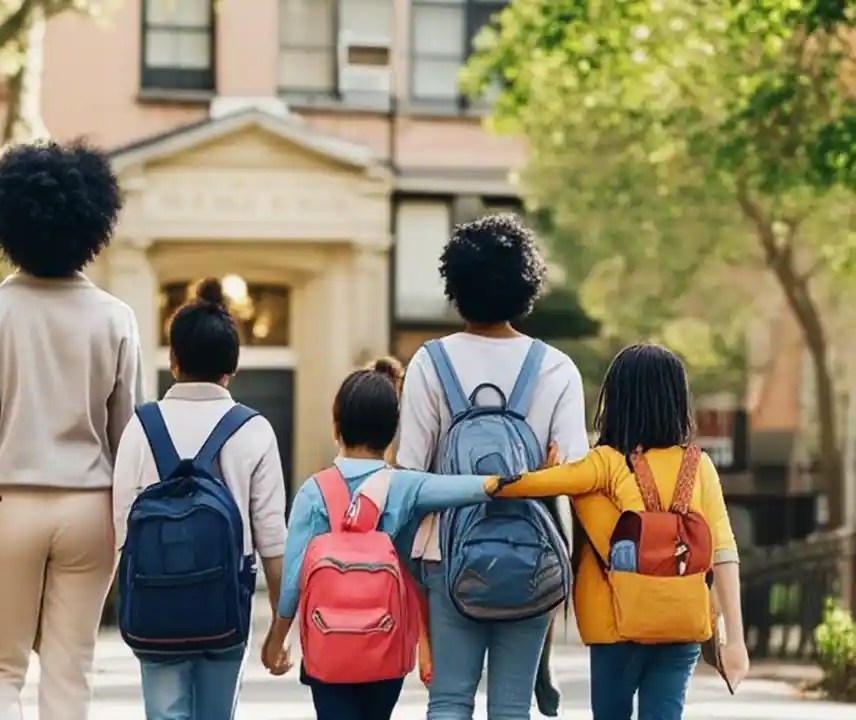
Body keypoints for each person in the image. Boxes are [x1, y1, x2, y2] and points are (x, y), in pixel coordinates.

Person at [0, 140, 141, 720]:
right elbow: (127, 436)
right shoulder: (116, 317)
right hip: (92, 510)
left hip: (8, 506)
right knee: (69, 671)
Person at [396, 213, 587, 719]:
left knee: (451, 698)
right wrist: (534, 476)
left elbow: (409, 479)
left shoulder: (428, 363)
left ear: (454, 286)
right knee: (512, 706)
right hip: (532, 556)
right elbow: (577, 474)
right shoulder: (556, 368)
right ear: (528, 286)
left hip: (446, 552)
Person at [495, 344, 750, 718]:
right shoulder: (699, 466)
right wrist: (736, 641)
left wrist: (483, 484)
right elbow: (724, 552)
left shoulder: (604, 463)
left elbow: (529, 484)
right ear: (678, 399)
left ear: (616, 400)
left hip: (614, 627)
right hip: (682, 622)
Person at [262, 360, 502, 720]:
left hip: (327, 647)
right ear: (393, 431)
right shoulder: (407, 486)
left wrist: (275, 642)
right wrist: (533, 477)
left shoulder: (314, 492)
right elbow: (476, 488)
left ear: (336, 425)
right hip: (385, 644)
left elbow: (294, 581)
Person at [112, 278, 288, 720]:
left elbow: (120, 525)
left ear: (173, 361)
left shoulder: (141, 426)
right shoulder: (254, 429)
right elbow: (273, 540)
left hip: (154, 599)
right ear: (233, 366)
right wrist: (280, 631)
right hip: (224, 604)